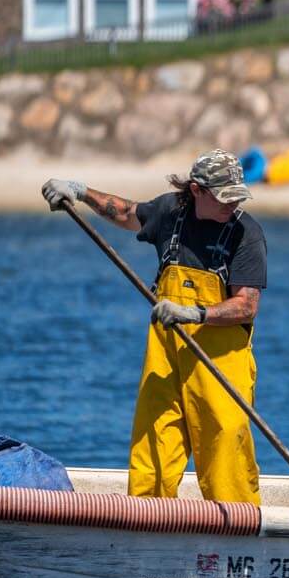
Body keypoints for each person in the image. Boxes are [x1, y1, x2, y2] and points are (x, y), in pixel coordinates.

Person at [41, 150, 266, 506]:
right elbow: (128, 213)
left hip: (221, 362)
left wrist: (194, 314)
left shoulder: (246, 234)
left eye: (237, 195)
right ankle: (147, 524)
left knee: (225, 447)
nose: (232, 204)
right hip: (166, 358)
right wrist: (79, 192)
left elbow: (247, 305)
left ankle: (237, 532)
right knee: (153, 445)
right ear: (197, 190)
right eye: (225, 197)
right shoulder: (170, 215)